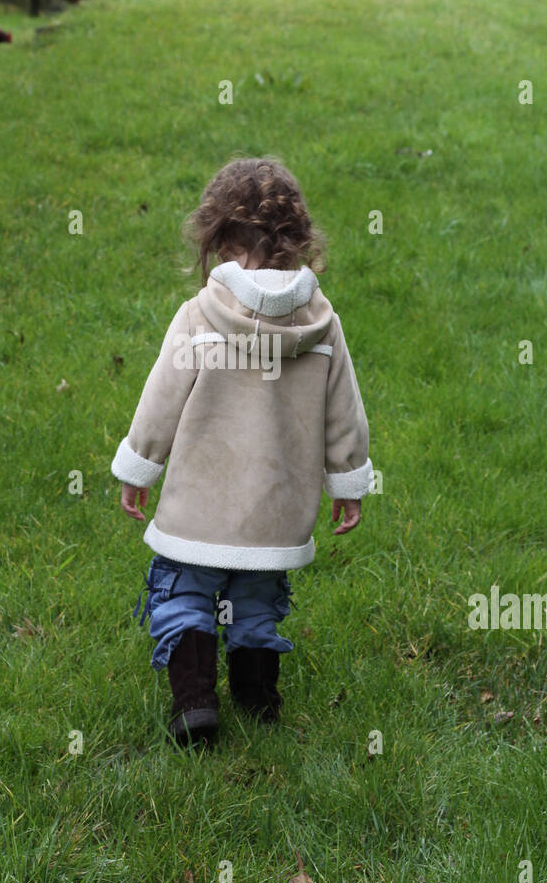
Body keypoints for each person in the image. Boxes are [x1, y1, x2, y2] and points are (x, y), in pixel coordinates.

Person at [110, 157, 374, 746]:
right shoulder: (323, 325)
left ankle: (196, 704)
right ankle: (258, 700)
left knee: (185, 593)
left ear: (219, 239)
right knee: (254, 600)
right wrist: (349, 484)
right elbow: (344, 413)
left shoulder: (199, 316)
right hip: (277, 511)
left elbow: (160, 402)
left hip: (197, 507)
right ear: (296, 242)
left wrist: (139, 468)